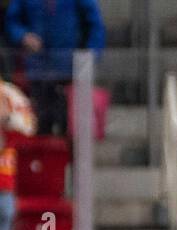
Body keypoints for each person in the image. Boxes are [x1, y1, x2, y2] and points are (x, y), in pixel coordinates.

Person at [4, 0, 105, 135]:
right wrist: (23, 36)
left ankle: (68, 152)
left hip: (69, 68)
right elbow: (12, 21)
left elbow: (95, 25)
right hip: (37, 68)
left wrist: (90, 56)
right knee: (39, 122)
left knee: (68, 123)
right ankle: (40, 154)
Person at [0, 78, 36, 230]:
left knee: (7, 215)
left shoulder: (11, 135)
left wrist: (9, 119)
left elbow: (28, 129)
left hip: (5, 187)